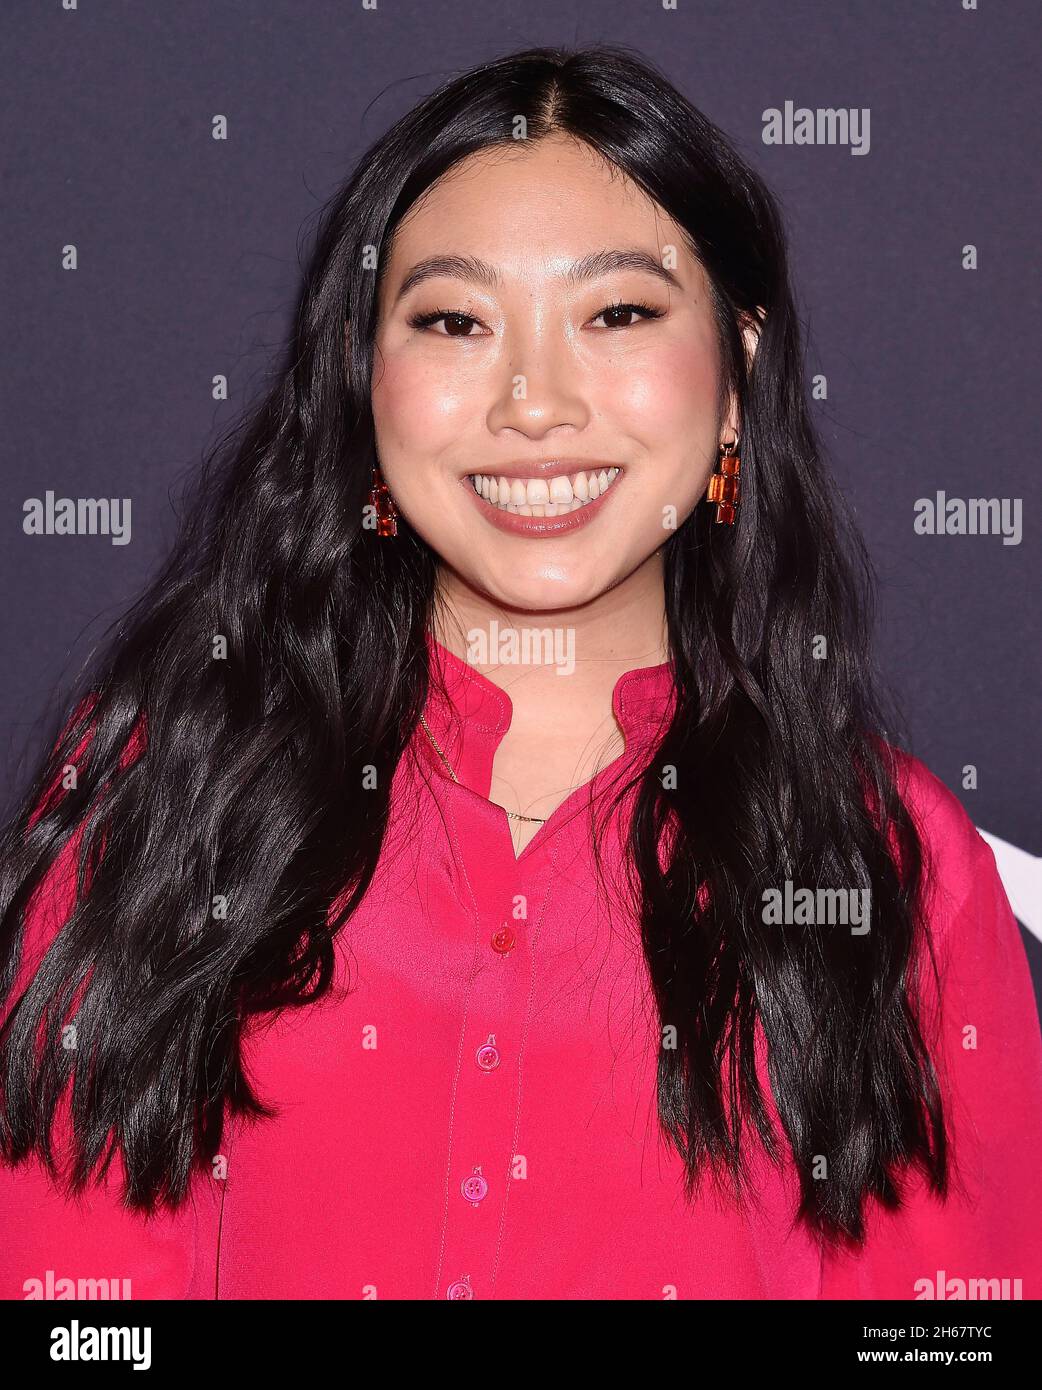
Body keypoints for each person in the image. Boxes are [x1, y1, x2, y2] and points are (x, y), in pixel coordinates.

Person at [1, 45, 1040, 1302]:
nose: (533, 402)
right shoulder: (165, 798)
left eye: (616, 315)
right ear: (361, 371)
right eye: (454, 320)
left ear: (737, 372)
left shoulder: (891, 862)